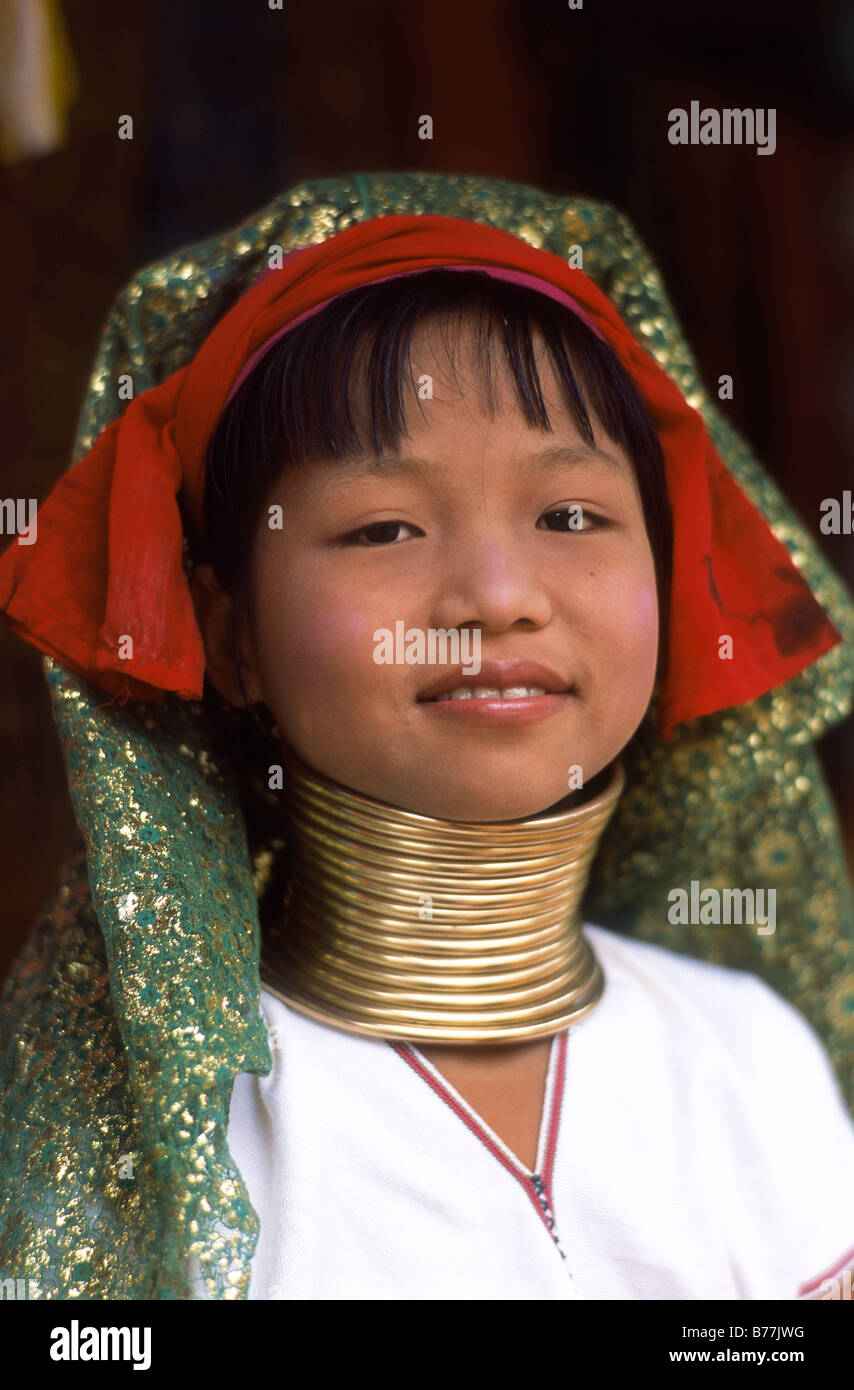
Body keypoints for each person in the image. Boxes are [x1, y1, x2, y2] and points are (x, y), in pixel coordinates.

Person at [0, 172, 852, 1302]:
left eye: (568, 516)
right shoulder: (165, 1140)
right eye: (382, 527)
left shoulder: (748, 1060)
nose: (498, 595)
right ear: (231, 634)